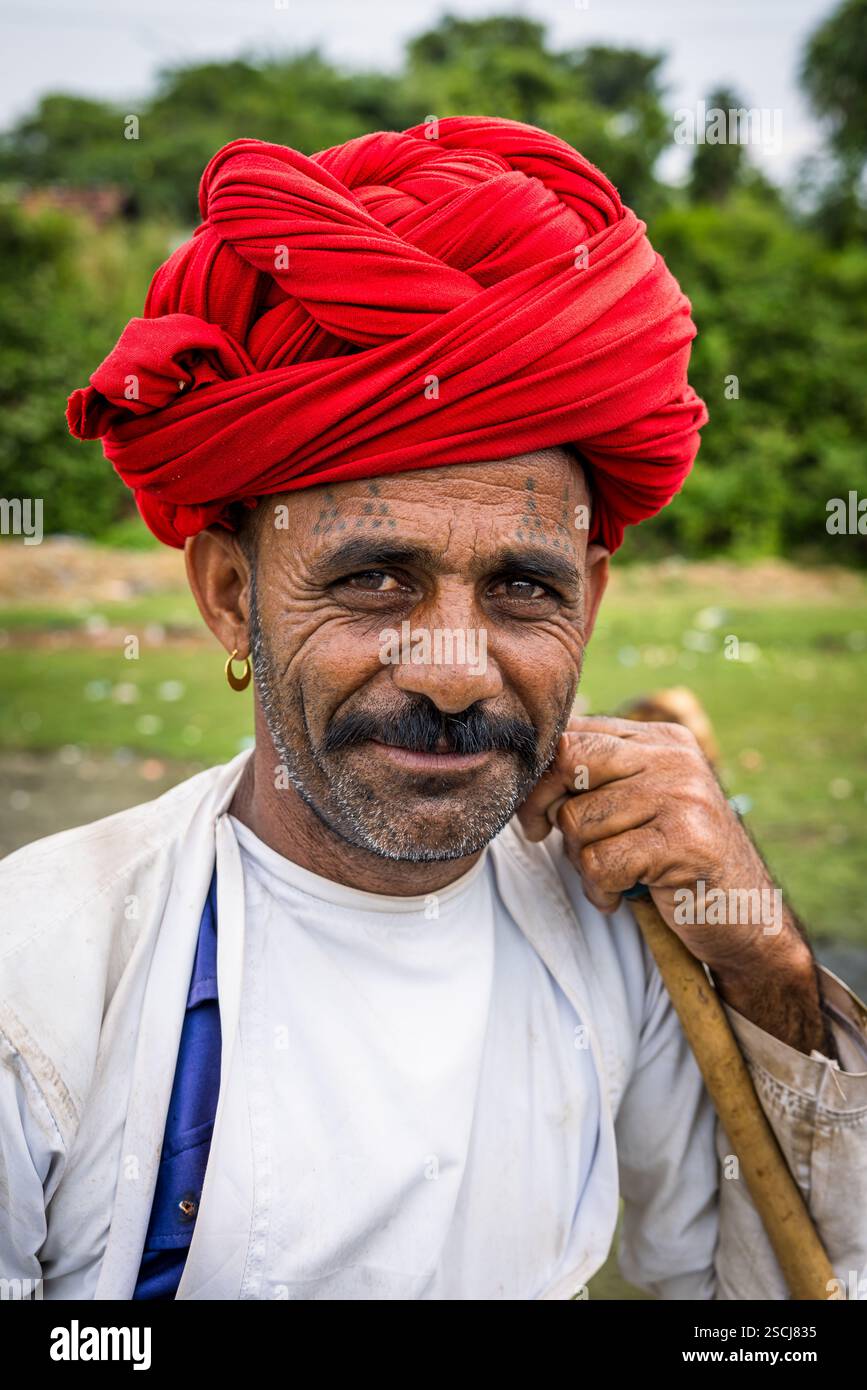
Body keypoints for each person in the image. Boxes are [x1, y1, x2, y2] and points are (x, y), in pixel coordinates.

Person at [1, 118, 865, 1302]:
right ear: (231, 592)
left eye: (522, 587)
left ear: (590, 600)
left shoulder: (629, 933)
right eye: (375, 578)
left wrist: (768, 963)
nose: (456, 668)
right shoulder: (39, 979)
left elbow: (762, 1304)